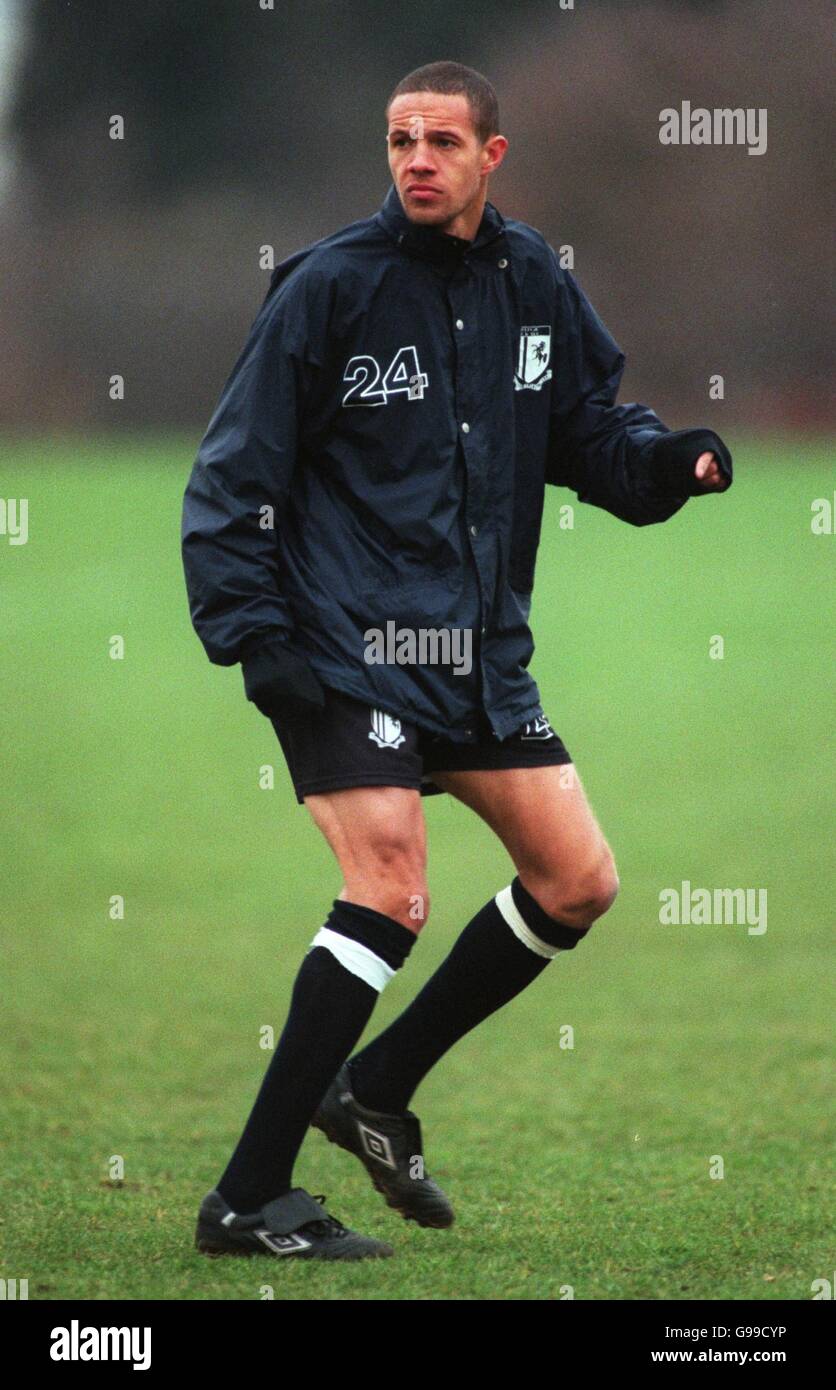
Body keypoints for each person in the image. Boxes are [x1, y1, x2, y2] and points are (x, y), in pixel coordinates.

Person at [182, 61, 733, 1261]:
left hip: (474, 656)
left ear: (492, 155)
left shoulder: (533, 278)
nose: (415, 159)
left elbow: (588, 430)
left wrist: (664, 463)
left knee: (576, 878)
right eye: (396, 139)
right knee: (390, 885)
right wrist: (256, 637)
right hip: (342, 643)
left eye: (439, 140)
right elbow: (233, 477)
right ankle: (246, 1200)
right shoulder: (329, 288)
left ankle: (375, 1087)